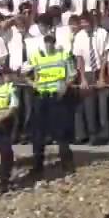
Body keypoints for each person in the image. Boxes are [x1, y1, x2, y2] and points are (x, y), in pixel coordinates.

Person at [28, 32, 75, 178]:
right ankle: (37, 166)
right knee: (38, 134)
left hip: (57, 96)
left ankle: (67, 165)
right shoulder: (36, 56)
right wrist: (33, 83)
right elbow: (27, 75)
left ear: (54, 43)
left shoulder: (63, 55)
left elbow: (72, 74)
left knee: (61, 133)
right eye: (47, 42)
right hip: (42, 97)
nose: (49, 44)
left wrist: (65, 86)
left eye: (51, 42)